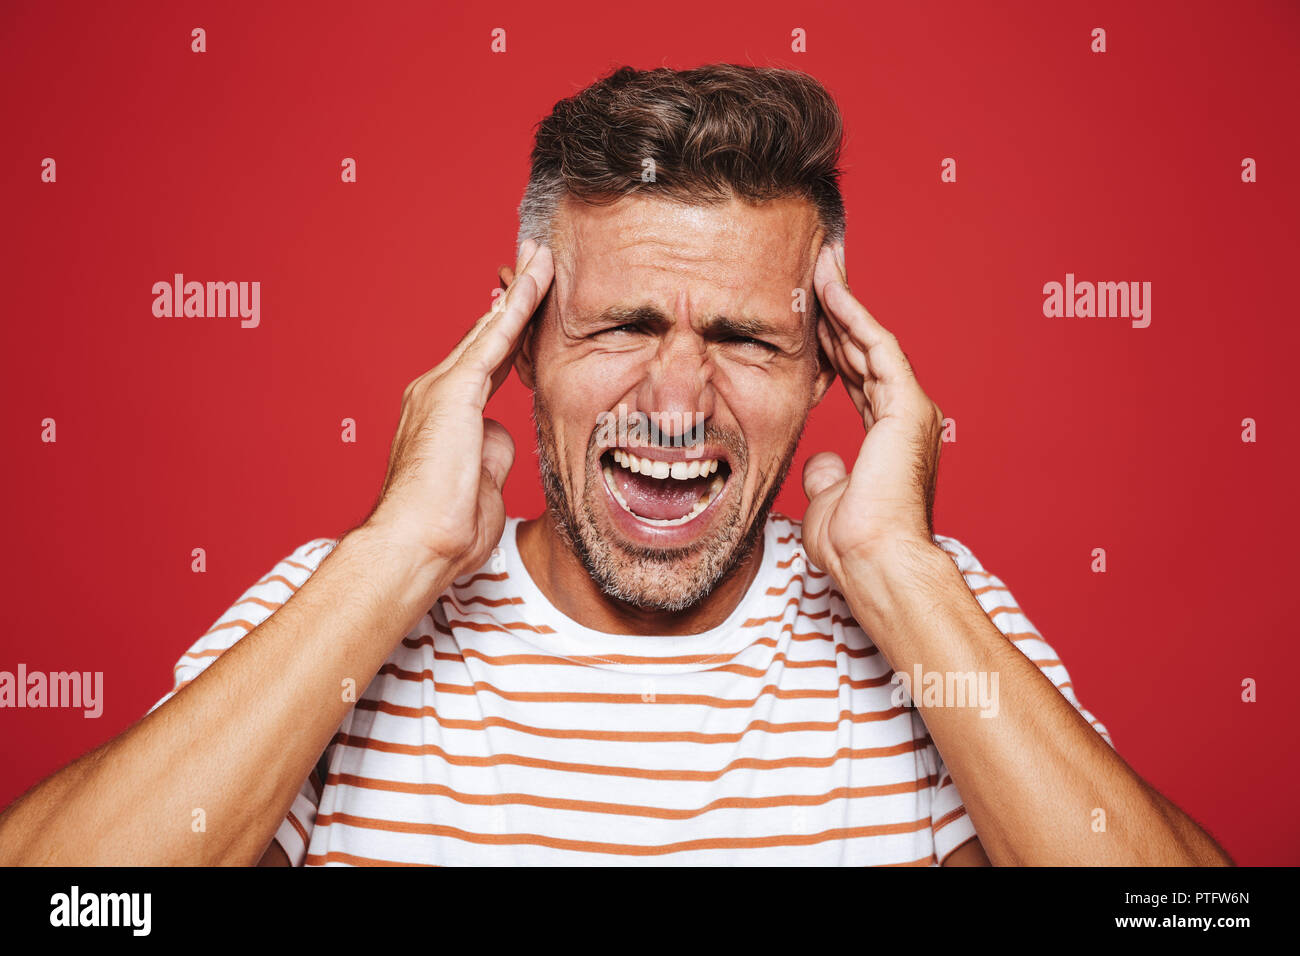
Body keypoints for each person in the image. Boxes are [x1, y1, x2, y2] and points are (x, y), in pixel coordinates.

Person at [0, 65, 1230, 866]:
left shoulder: (930, 619)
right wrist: (392, 557)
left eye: (747, 338)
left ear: (830, 371)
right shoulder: (342, 608)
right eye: (624, 325)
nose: (678, 402)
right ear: (521, 342)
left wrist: (901, 573)